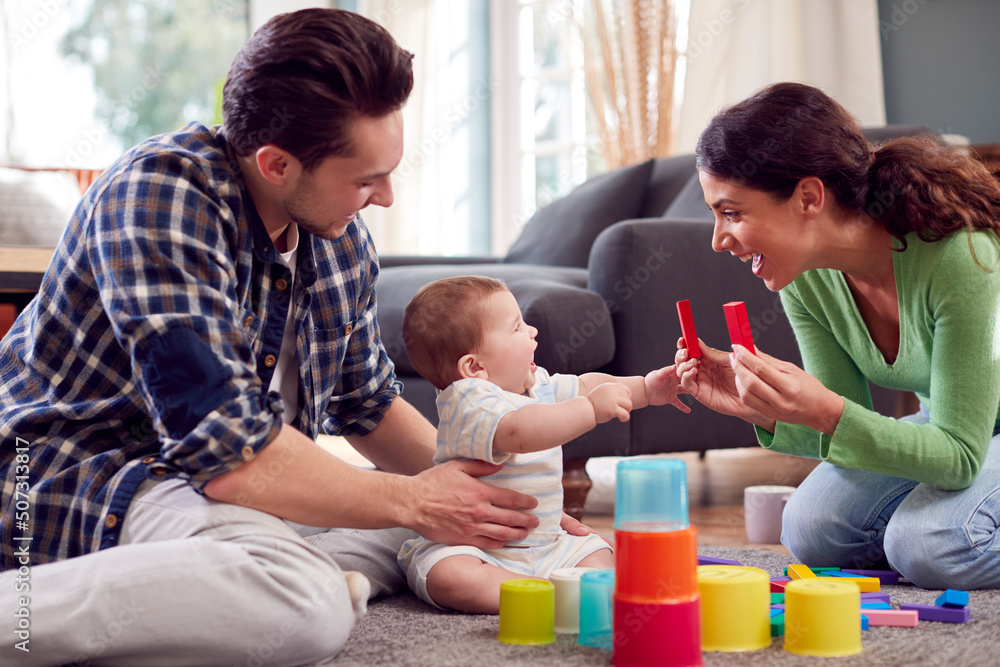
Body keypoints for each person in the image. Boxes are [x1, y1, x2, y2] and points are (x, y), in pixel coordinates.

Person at [0, 10, 596, 666]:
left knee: (426, 533)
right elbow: (226, 456)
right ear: (277, 163)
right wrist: (421, 498)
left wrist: (500, 496)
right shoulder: (162, 195)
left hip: (207, 488)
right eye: (365, 179)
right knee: (306, 606)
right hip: (84, 476)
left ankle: (230, 581)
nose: (387, 197)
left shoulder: (336, 241)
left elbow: (366, 404)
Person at [675, 82, 1000, 590]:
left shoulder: (959, 257)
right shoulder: (805, 277)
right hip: (951, 426)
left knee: (929, 544)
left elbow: (957, 456)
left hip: (967, 438)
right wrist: (761, 408)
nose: (718, 240)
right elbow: (843, 427)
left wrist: (826, 412)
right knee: (811, 529)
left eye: (731, 212)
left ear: (808, 196)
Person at [398, 276, 690, 613]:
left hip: (548, 542)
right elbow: (520, 432)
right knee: (451, 576)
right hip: (479, 549)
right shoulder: (469, 401)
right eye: (517, 327)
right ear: (475, 367)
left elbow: (584, 385)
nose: (532, 331)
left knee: (602, 556)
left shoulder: (536, 383)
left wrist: (645, 389)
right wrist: (592, 409)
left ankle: (546, 589)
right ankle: (539, 593)